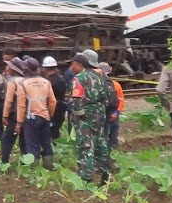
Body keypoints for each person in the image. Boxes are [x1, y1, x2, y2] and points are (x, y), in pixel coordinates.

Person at [69, 53, 114, 185]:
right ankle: (105, 175)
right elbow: (107, 97)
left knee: (85, 146)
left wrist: (79, 114)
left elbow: (77, 99)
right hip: (99, 115)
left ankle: (85, 178)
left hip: (85, 116)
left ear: (80, 65)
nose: (71, 67)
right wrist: (100, 110)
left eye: (73, 64)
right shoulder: (99, 76)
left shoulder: (78, 79)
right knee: (101, 144)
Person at [14, 58, 57, 168]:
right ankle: (48, 167)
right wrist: (49, 115)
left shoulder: (23, 84)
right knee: (46, 144)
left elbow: (21, 105)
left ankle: (34, 171)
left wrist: (19, 123)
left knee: (32, 145)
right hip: (45, 117)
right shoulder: (46, 82)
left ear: (27, 69)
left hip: (30, 118)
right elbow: (53, 102)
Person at [0, 58, 27, 163]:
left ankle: (4, 162)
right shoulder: (26, 80)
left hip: (15, 115)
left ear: (13, 69)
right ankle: (26, 163)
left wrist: (5, 116)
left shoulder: (12, 81)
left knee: (7, 139)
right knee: (24, 140)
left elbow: (9, 100)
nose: (7, 68)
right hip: (26, 114)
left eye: (9, 66)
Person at [99, 63, 126, 149]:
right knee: (114, 133)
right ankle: (114, 150)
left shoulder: (96, 84)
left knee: (103, 134)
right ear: (110, 70)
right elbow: (121, 100)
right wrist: (117, 112)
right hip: (113, 111)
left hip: (102, 112)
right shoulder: (116, 85)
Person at [42, 57, 69, 140]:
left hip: (52, 107)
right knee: (56, 130)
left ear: (45, 69)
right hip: (62, 107)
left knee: (49, 131)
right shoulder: (62, 79)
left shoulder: (48, 82)